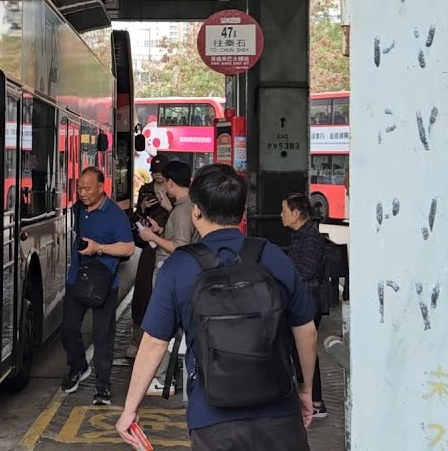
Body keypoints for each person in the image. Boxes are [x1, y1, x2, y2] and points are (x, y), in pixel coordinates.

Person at [116, 164, 318, 451]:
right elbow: (306, 332)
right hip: (278, 412)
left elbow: (153, 344)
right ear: (243, 212)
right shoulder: (273, 257)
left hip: (212, 419)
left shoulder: (179, 267)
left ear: (195, 212)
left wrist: (130, 409)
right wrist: (306, 390)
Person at [62, 167, 135, 405]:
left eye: (87, 188)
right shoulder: (78, 209)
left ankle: (102, 387)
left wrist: (99, 249)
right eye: (79, 188)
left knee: (103, 337)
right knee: (68, 329)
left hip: (104, 284)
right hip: (77, 280)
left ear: (101, 187)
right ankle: (78, 367)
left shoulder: (115, 215)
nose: (82, 193)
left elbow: (128, 248)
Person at [136, 159, 198, 393]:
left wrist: (152, 238)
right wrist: (160, 230)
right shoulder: (186, 207)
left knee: (164, 325)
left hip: (168, 268)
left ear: (171, 183)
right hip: (175, 271)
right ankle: (167, 377)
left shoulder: (182, 210)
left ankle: (163, 379)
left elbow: (180, 246)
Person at [281, 192, 330, 419]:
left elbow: (304, 272)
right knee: (299, 349)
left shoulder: (310, 237)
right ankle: (310, 398)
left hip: (309, 300)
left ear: (296, 213)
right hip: (303, 298)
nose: (281, 215)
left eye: (284, 211)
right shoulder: (300, 235)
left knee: (305, 349)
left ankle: (316, 401)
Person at [127, 154, 171, 358]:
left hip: (169, 247)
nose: (158, 176)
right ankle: (137, 339)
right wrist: (142, 209)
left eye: (161, 173)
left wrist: (167, 207)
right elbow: (136, 217)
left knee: (166, 295)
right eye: (155, 172)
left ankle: (165, 345)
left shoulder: (176, 193)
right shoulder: (146, 190)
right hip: (149, 249)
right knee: (143, 293)